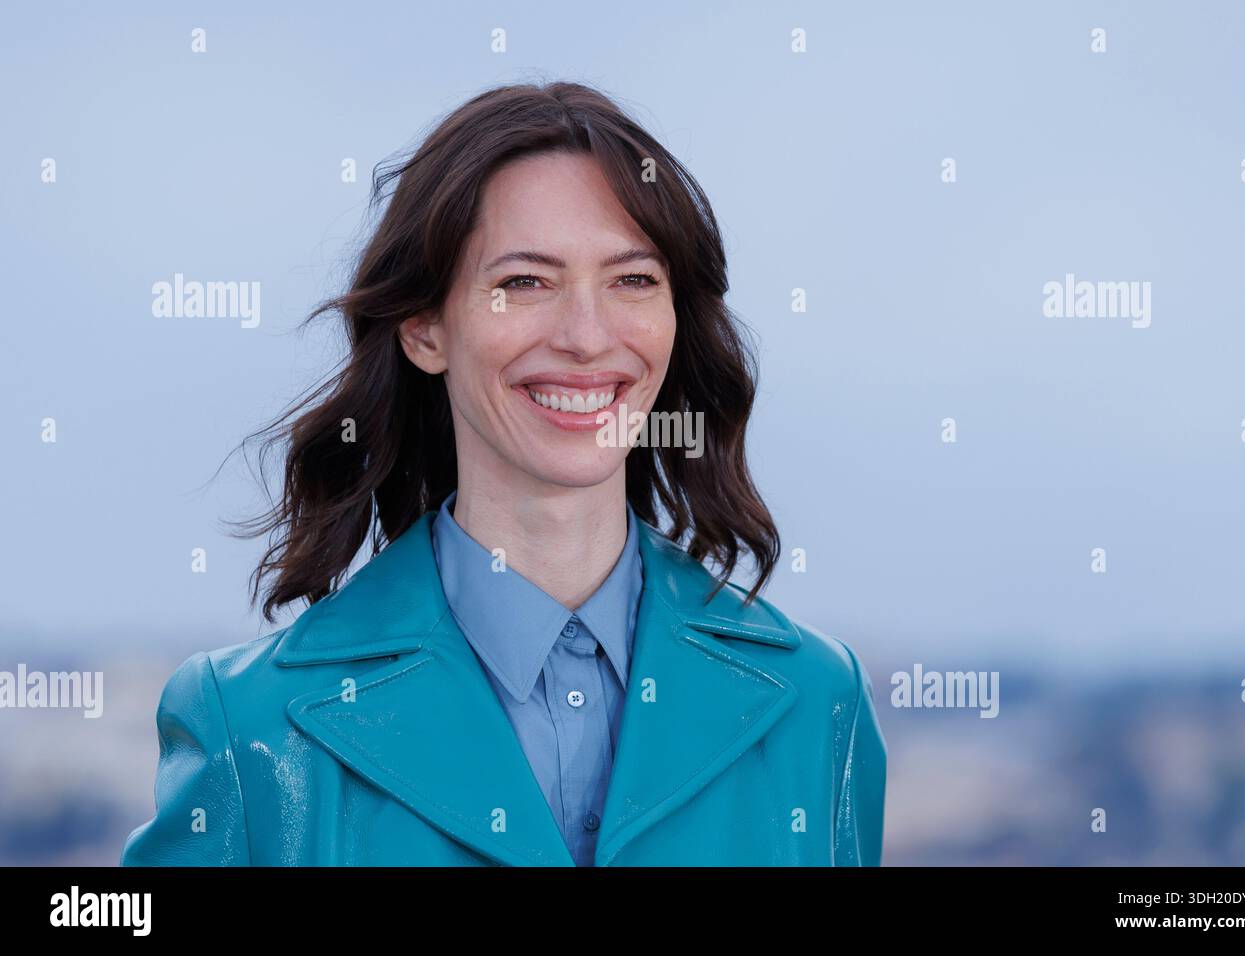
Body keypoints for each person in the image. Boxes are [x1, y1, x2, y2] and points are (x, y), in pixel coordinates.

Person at [121, 81, 886, 867]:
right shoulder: (250, 729)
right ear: (424, 329)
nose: (587, 338)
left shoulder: (818, 703)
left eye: (632, 279)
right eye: (524, 282)